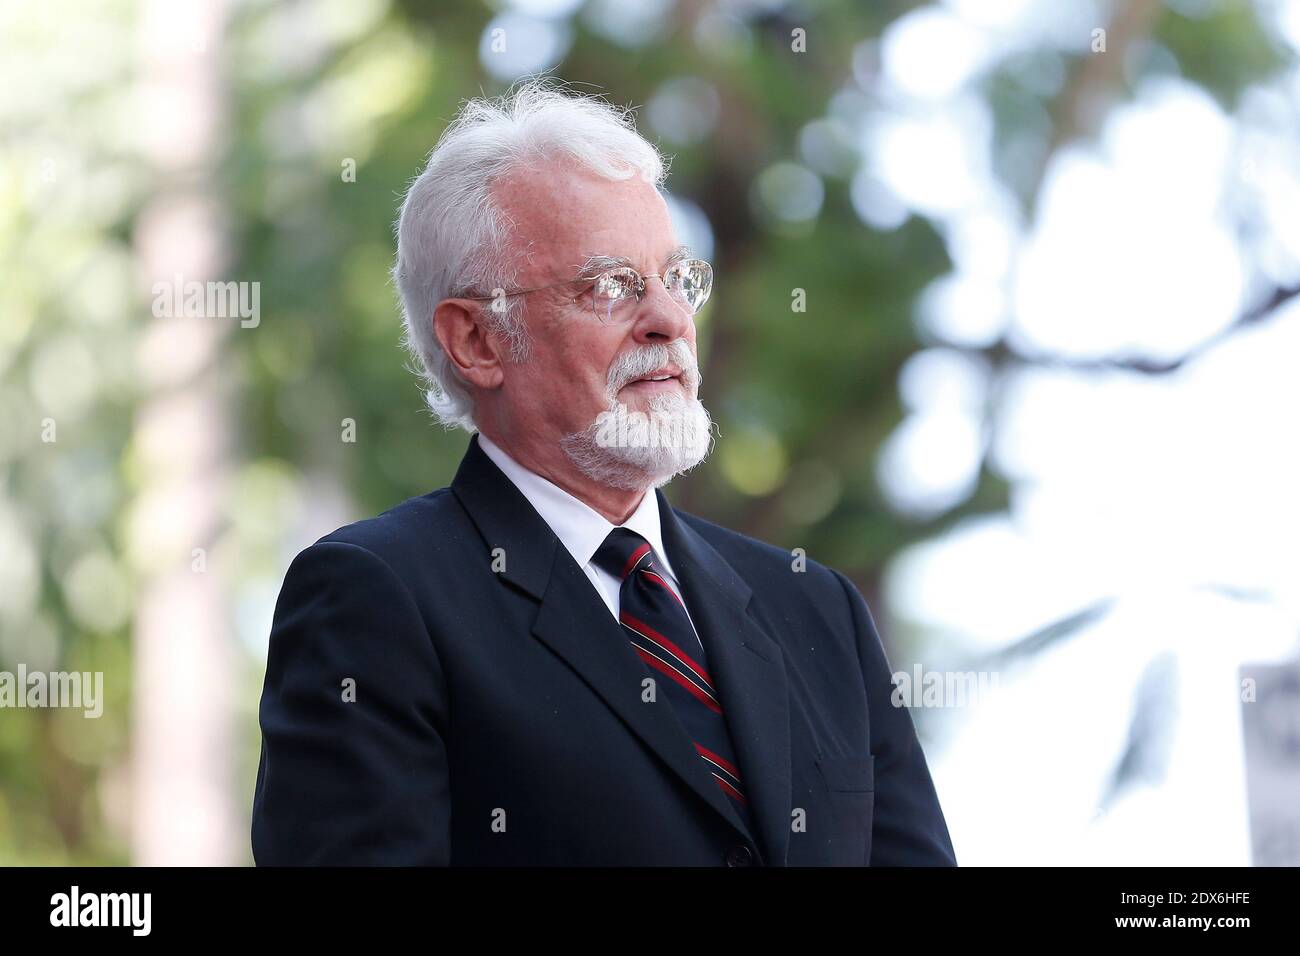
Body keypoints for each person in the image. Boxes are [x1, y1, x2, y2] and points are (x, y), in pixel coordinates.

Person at [251, 79, 956, 867]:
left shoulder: (816, 609)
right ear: (478, 341)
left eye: (677, 277)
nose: (669, 319)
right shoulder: (374, 600)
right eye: (611, 285)